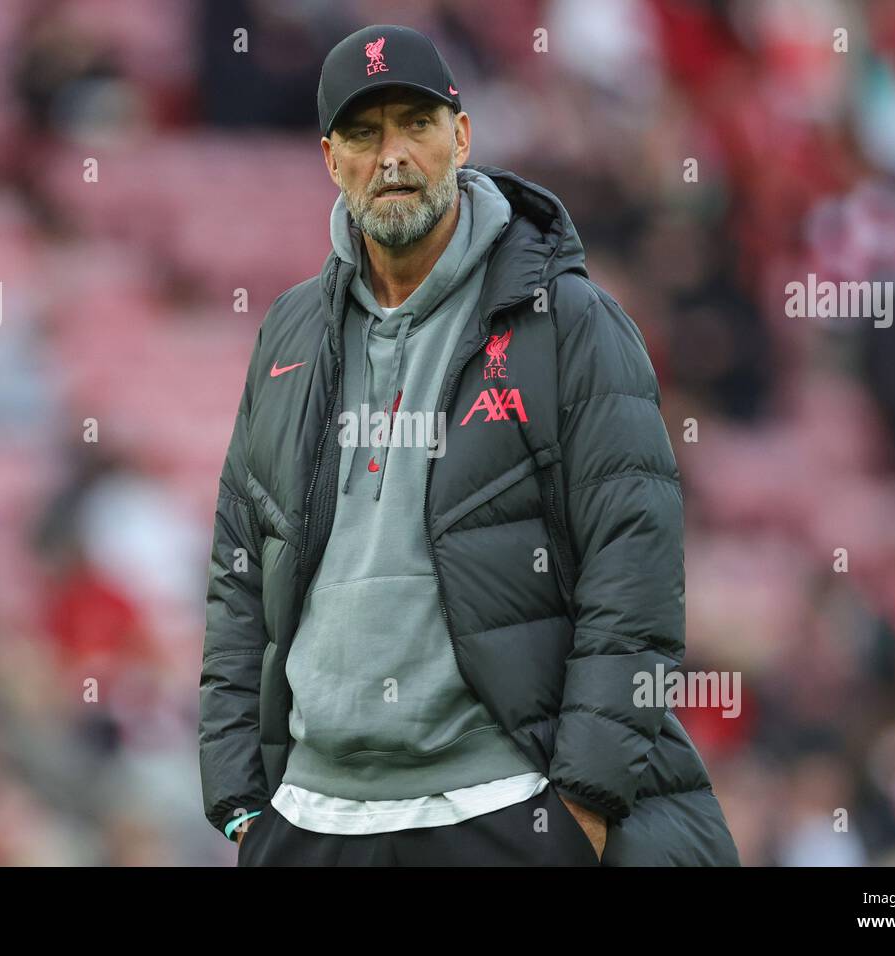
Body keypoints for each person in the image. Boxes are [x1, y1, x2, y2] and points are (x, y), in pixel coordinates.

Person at [199, 23, 739, 866]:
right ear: (329, 158)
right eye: (363, 134)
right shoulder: (289, 332)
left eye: (415, 123)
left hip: (499, 810)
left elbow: (634, 569)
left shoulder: (570, 322)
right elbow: (239, 564)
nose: (392, 157)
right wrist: (239, 798)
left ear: (462, 135)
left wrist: (584, 805)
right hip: (312, 822)